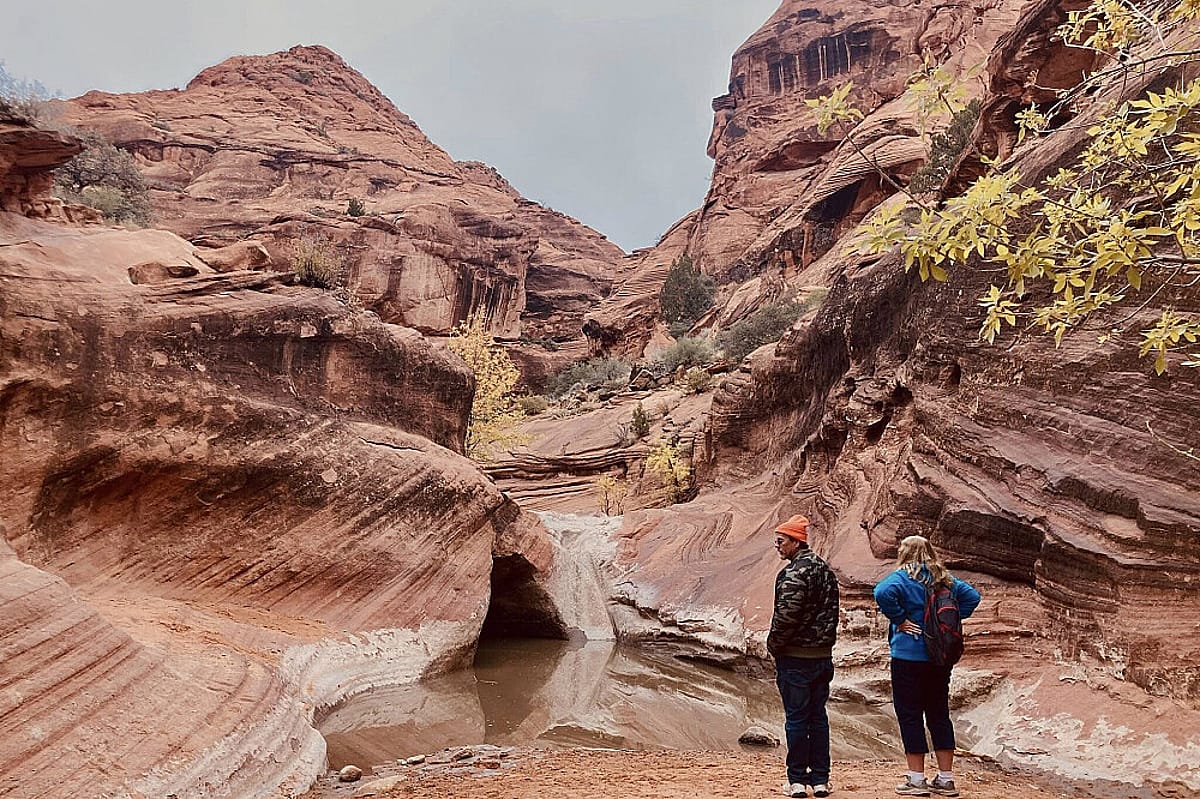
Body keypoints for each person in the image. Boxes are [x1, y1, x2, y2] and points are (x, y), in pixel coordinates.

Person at [873, 535, 981, 798]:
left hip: (908, 656)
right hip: (939, 658)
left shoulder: (902, 578)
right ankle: (945, 779)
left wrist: (900, 619)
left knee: (910, 714)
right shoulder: (944, 579)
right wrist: (948, 620)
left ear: (905, 553)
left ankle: (917, 779)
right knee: (938, 713)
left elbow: (880, 593)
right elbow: (973, 598)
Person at [768, 514, 840, 798]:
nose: (778, 546)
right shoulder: (825, 570)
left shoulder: (794, 573)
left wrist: (773, 645)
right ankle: (820, 780)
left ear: (796, 542)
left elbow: (786, 617)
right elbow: (832, 613)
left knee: (796, 719)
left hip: (796, 658)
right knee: (818, 718)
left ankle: (797, 781)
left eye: (781, 540)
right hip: (822, 656)